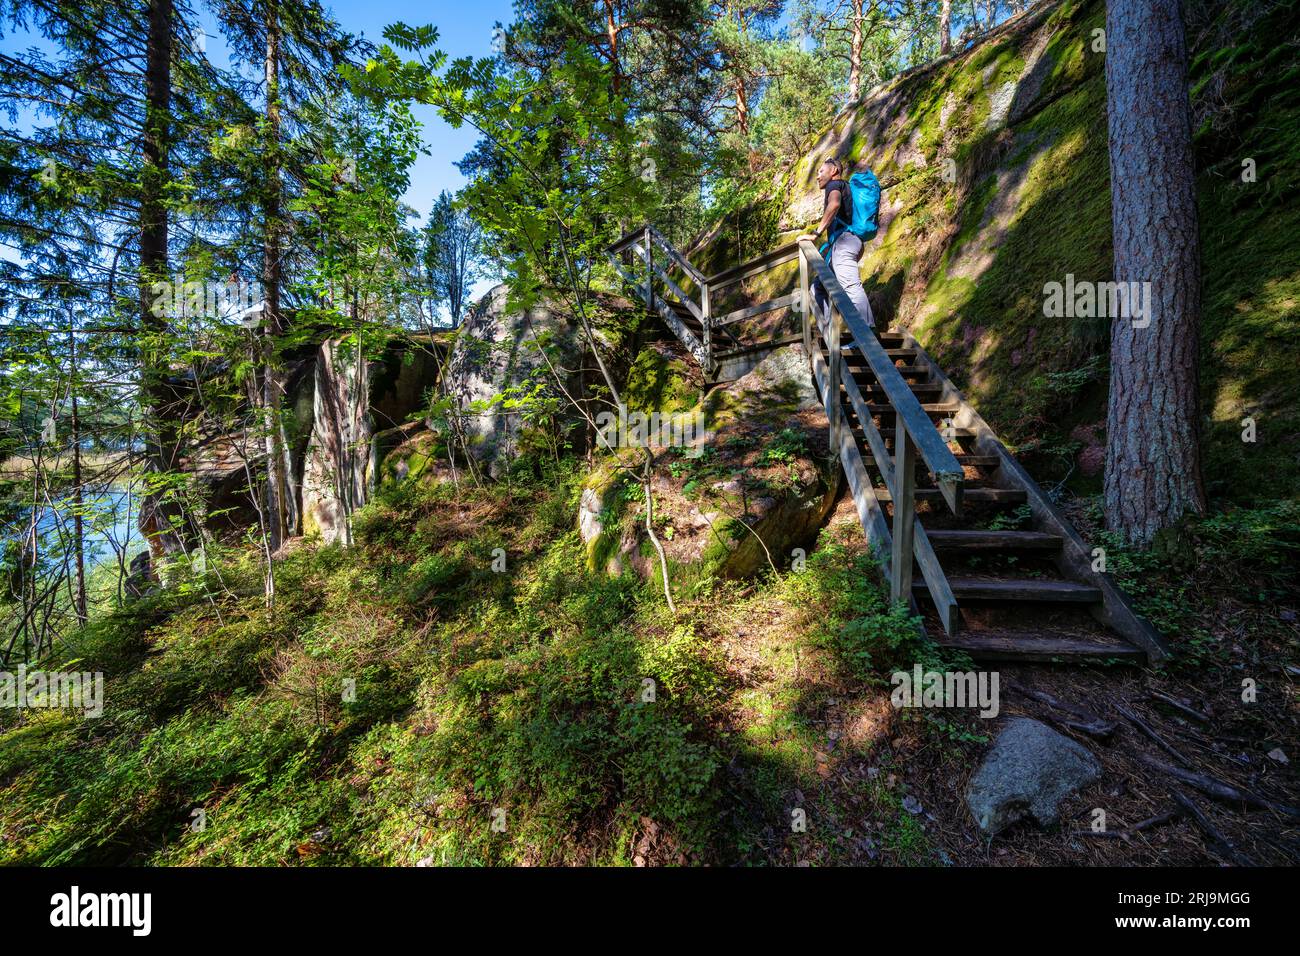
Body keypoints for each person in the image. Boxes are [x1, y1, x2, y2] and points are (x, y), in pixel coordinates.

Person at [804, 157, 875, 328]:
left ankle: (867, 332)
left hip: (845, 243)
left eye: (821, 171)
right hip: (845, 244)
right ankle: (830, 333)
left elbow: (834, 205)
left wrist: (816, 233)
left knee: (850, 285)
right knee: (817, 289)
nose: (818, 176)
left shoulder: (834, 185)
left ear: (834, 171)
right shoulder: (844, 187)